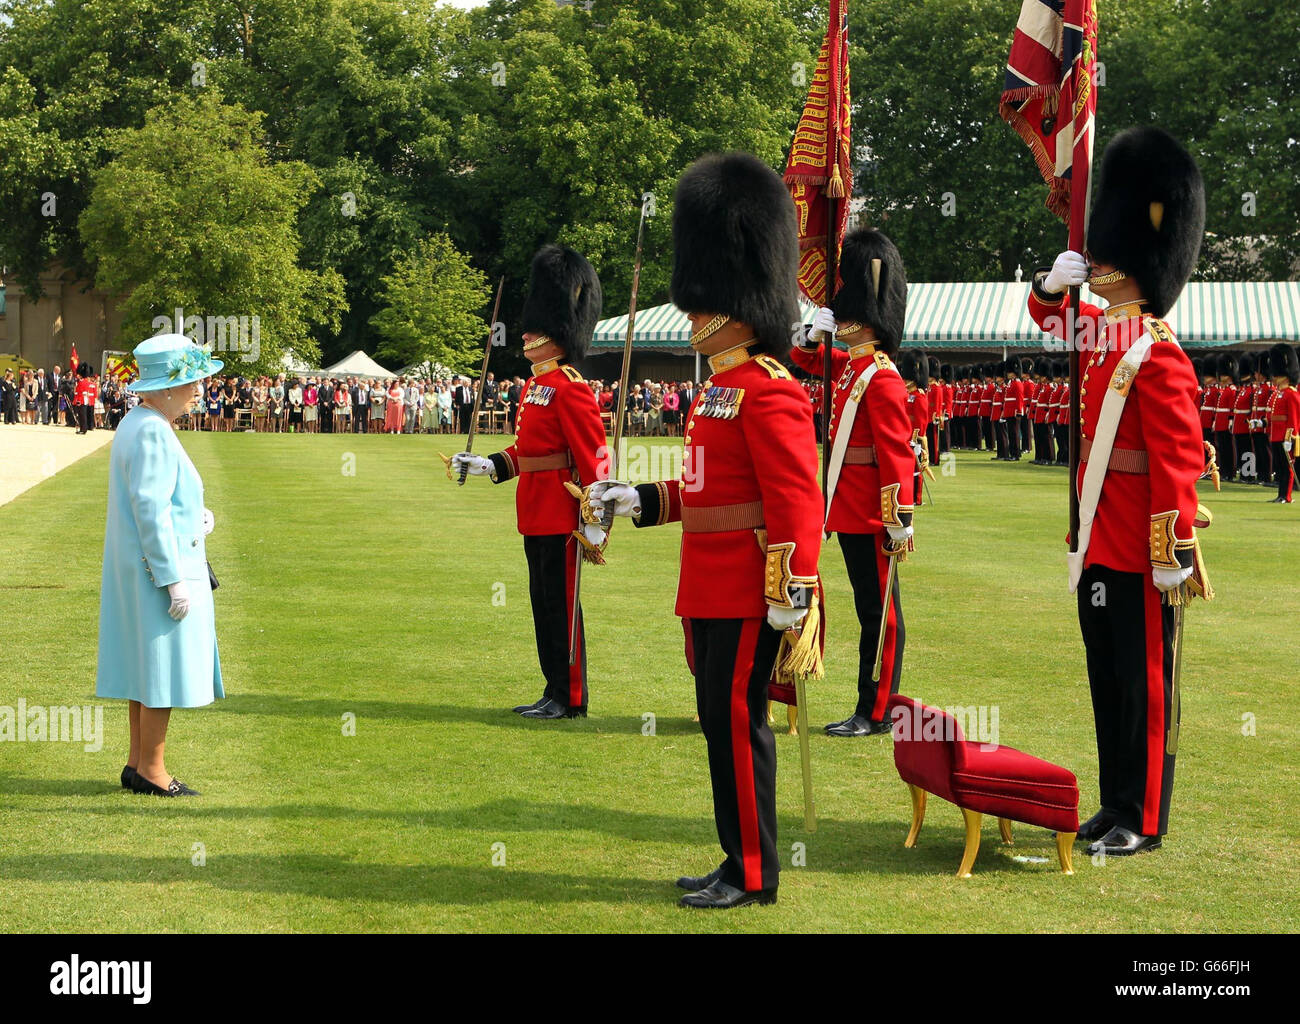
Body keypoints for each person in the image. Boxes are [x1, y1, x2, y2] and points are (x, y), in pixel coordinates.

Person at [585, 152, 821, 910]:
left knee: (740, 722)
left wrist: (795, 590)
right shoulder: (718, 391)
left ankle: (756, 872)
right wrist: (640, 499)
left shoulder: (770, 392)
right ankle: (734, 857)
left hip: (752, 588)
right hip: (707, 584)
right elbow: (703, 491)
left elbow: (794, 501)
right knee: (718, 722)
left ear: (732, 303)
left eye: (699, 305)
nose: (689, 316)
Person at [1028, 126, 1210, 857]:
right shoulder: (1103, 334)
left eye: (1107, 253)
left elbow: (1177, 460)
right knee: (1108, 683)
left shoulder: (1157, 352)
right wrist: (1051, 285)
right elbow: (1048, 327)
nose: (1097, 263)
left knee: (1146, 688)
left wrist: (1172, 550)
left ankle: (1148, 817)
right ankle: (1115, 802)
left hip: (1141, 547)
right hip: (1098, 541)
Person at [451, 243, 606, 720]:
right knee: (543, 607)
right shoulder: (539, 385)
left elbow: (595, 459)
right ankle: (552, 686)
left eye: (536, 330)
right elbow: (530, 453)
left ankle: (571, 695)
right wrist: (490, 465)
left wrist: (598, 520)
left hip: (562, 514)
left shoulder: (570, 387)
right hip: (535, 511)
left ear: (558, 334)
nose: (526, 336)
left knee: (561, 608)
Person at [791, 228, 914, 737]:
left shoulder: (881, 376)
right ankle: (869, 704)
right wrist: (811, 332)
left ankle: (877, 708)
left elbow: (896, 454)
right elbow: (802, 360)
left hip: (871, 516)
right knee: (868, 610)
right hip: (848, 510)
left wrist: (898, 518)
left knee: (880, 616)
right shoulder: (851, 368)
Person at [97, 334, 225, 796]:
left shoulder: (138, 421)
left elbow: (157, 500)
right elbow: (149, 509)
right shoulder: (152, 428)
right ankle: (152, 769)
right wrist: (173, 581)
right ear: (167, 388)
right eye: (192, 383)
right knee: (162, 670)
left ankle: (137, 764)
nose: (198, 391)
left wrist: (196, 516)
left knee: (146, 668)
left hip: (143, 566)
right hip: (160, 569)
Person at [1266, 344, 1300, 503]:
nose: (1274, 377)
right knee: (1280, 467)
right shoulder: (1280, 393)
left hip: (1285, 436)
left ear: (1285, 374)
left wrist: (1290, 438)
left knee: (1287, 467)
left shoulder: (1291, 394)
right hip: (1276, 435)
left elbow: (1293, 419)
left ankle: (1286, 496)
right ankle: (1280, 494)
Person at [73, 363, 97, 434]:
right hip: (83, 399)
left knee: (82, 415)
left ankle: (83, 429)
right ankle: (82, 429)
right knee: (82, 415)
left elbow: (81, 392)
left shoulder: (82, 382)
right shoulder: (84, 381)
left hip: (82, 400)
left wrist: (78, 400)